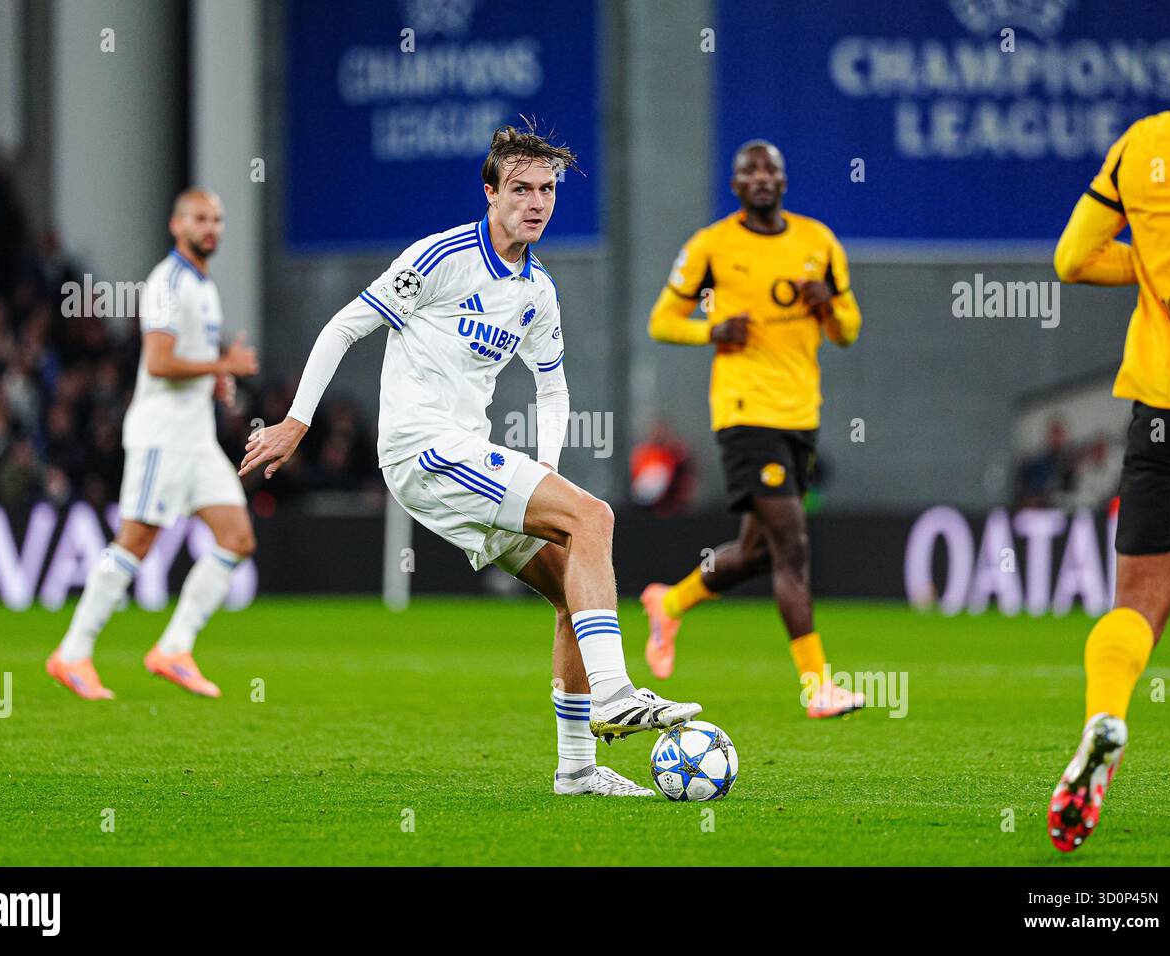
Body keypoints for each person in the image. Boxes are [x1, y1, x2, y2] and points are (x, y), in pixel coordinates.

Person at [241, 124, 703, 797]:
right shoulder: (441, 258)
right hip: (421, 448)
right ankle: (613, 692)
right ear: (489, 192)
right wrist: (295, 422)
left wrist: (547, 473)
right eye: (520, 188)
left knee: (575, 586)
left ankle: (577, 770)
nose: (536, 202)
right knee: (595, 517)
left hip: (464, 453)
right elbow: (346, 325)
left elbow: (552, 387)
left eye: (547, 190)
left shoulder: (537, 292)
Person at [1047, 10, 1170, 852]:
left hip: (1168, 406)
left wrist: (1151, 271)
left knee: (1137, 609)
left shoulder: (1147, 141)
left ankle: (1106, 719)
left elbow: (1072, 258)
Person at [640, 140, 866, 719]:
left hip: (801, 415)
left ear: (783, 181)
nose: (761, 178)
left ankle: (672, 602)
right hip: (745, 412)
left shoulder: (818, 242)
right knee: (792, 544)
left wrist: (829, 309)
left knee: (756, 551)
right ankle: (818, 686)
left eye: (771, 169)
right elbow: (663, 320)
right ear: (736, 185)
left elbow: (849, 331)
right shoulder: (712, 246)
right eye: (749, 171)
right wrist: (711, 332)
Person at [46, 189, 260, 700]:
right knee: (136, 541)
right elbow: (160, 362)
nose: (211, 227)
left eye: (217, 219)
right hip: (161, 435)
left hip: (196, 438)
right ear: (176, 225)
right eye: (200, 219)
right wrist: (220, 366)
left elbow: (185, 358)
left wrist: (213, 378)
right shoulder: (167, 282)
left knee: (237, 538)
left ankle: (174, 648)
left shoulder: (203, 286)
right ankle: (72, 654)